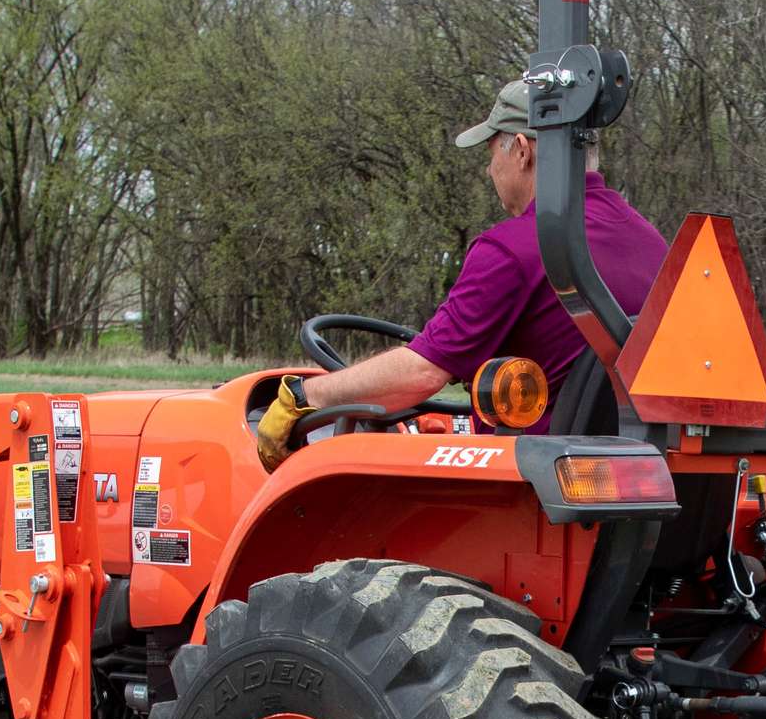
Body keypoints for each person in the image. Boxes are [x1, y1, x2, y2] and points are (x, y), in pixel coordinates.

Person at [251, 78, 670, 464]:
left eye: (491, 155)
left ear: (521, 151)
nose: (490, 171)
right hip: (639, 472)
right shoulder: (652, 244)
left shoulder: (512, 249)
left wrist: (304, 396)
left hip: (533, 484)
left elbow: (422, 373)